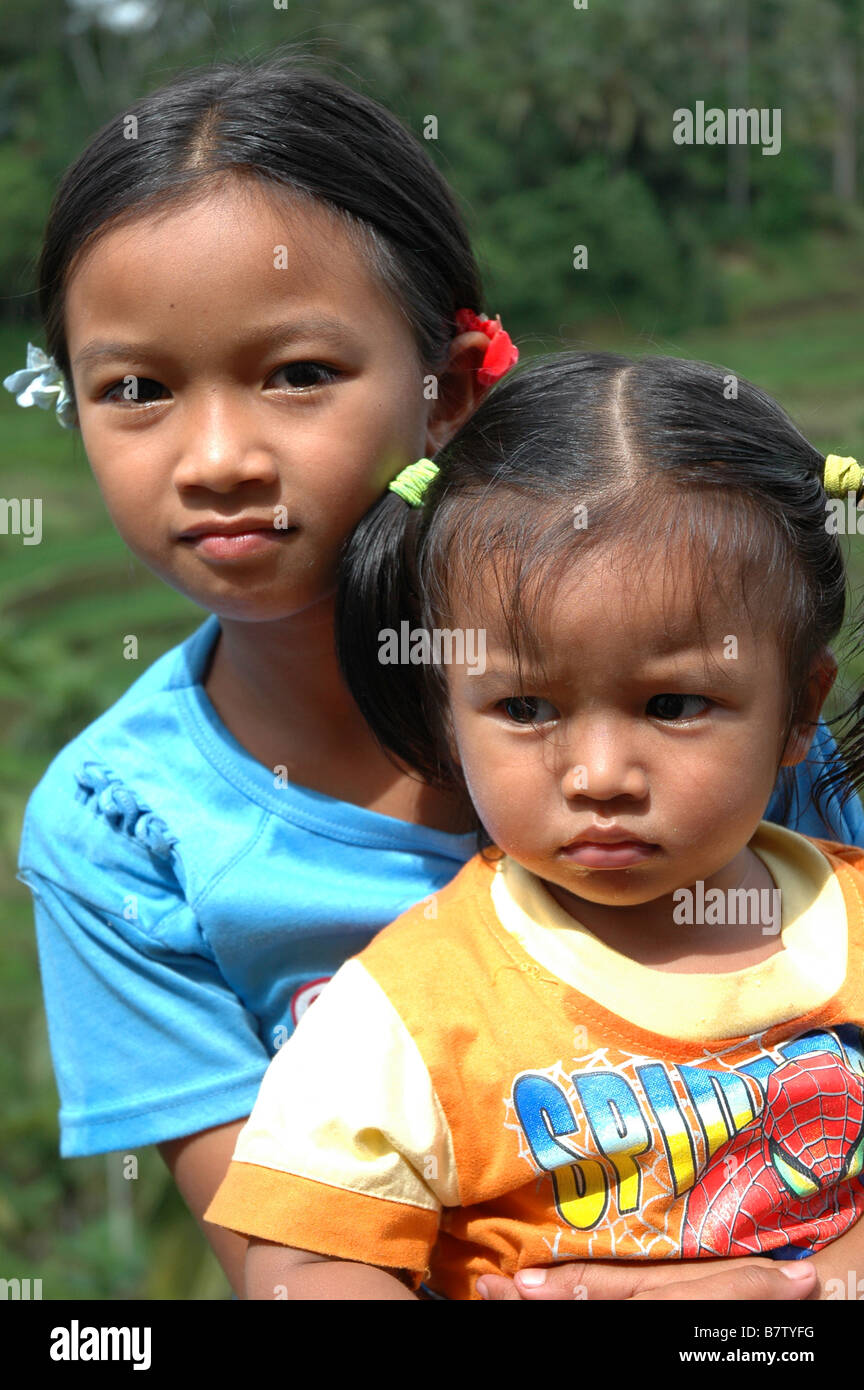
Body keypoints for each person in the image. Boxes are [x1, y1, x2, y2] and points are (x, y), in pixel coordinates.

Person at [7, 57, 849, 1305]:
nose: (219, 458)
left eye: (296, 373)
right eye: (137, 390)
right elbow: (291, 1253)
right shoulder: (117, 831)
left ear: (447, 385)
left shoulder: (715, 707)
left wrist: (811, 1291)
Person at [205, 353, 864, 1301]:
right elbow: (306, 1257)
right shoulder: (411, 1010)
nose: (598, 776)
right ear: (446, 712)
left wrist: (802, 1290)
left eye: (674, 704)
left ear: (798, 712)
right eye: (524, 708)